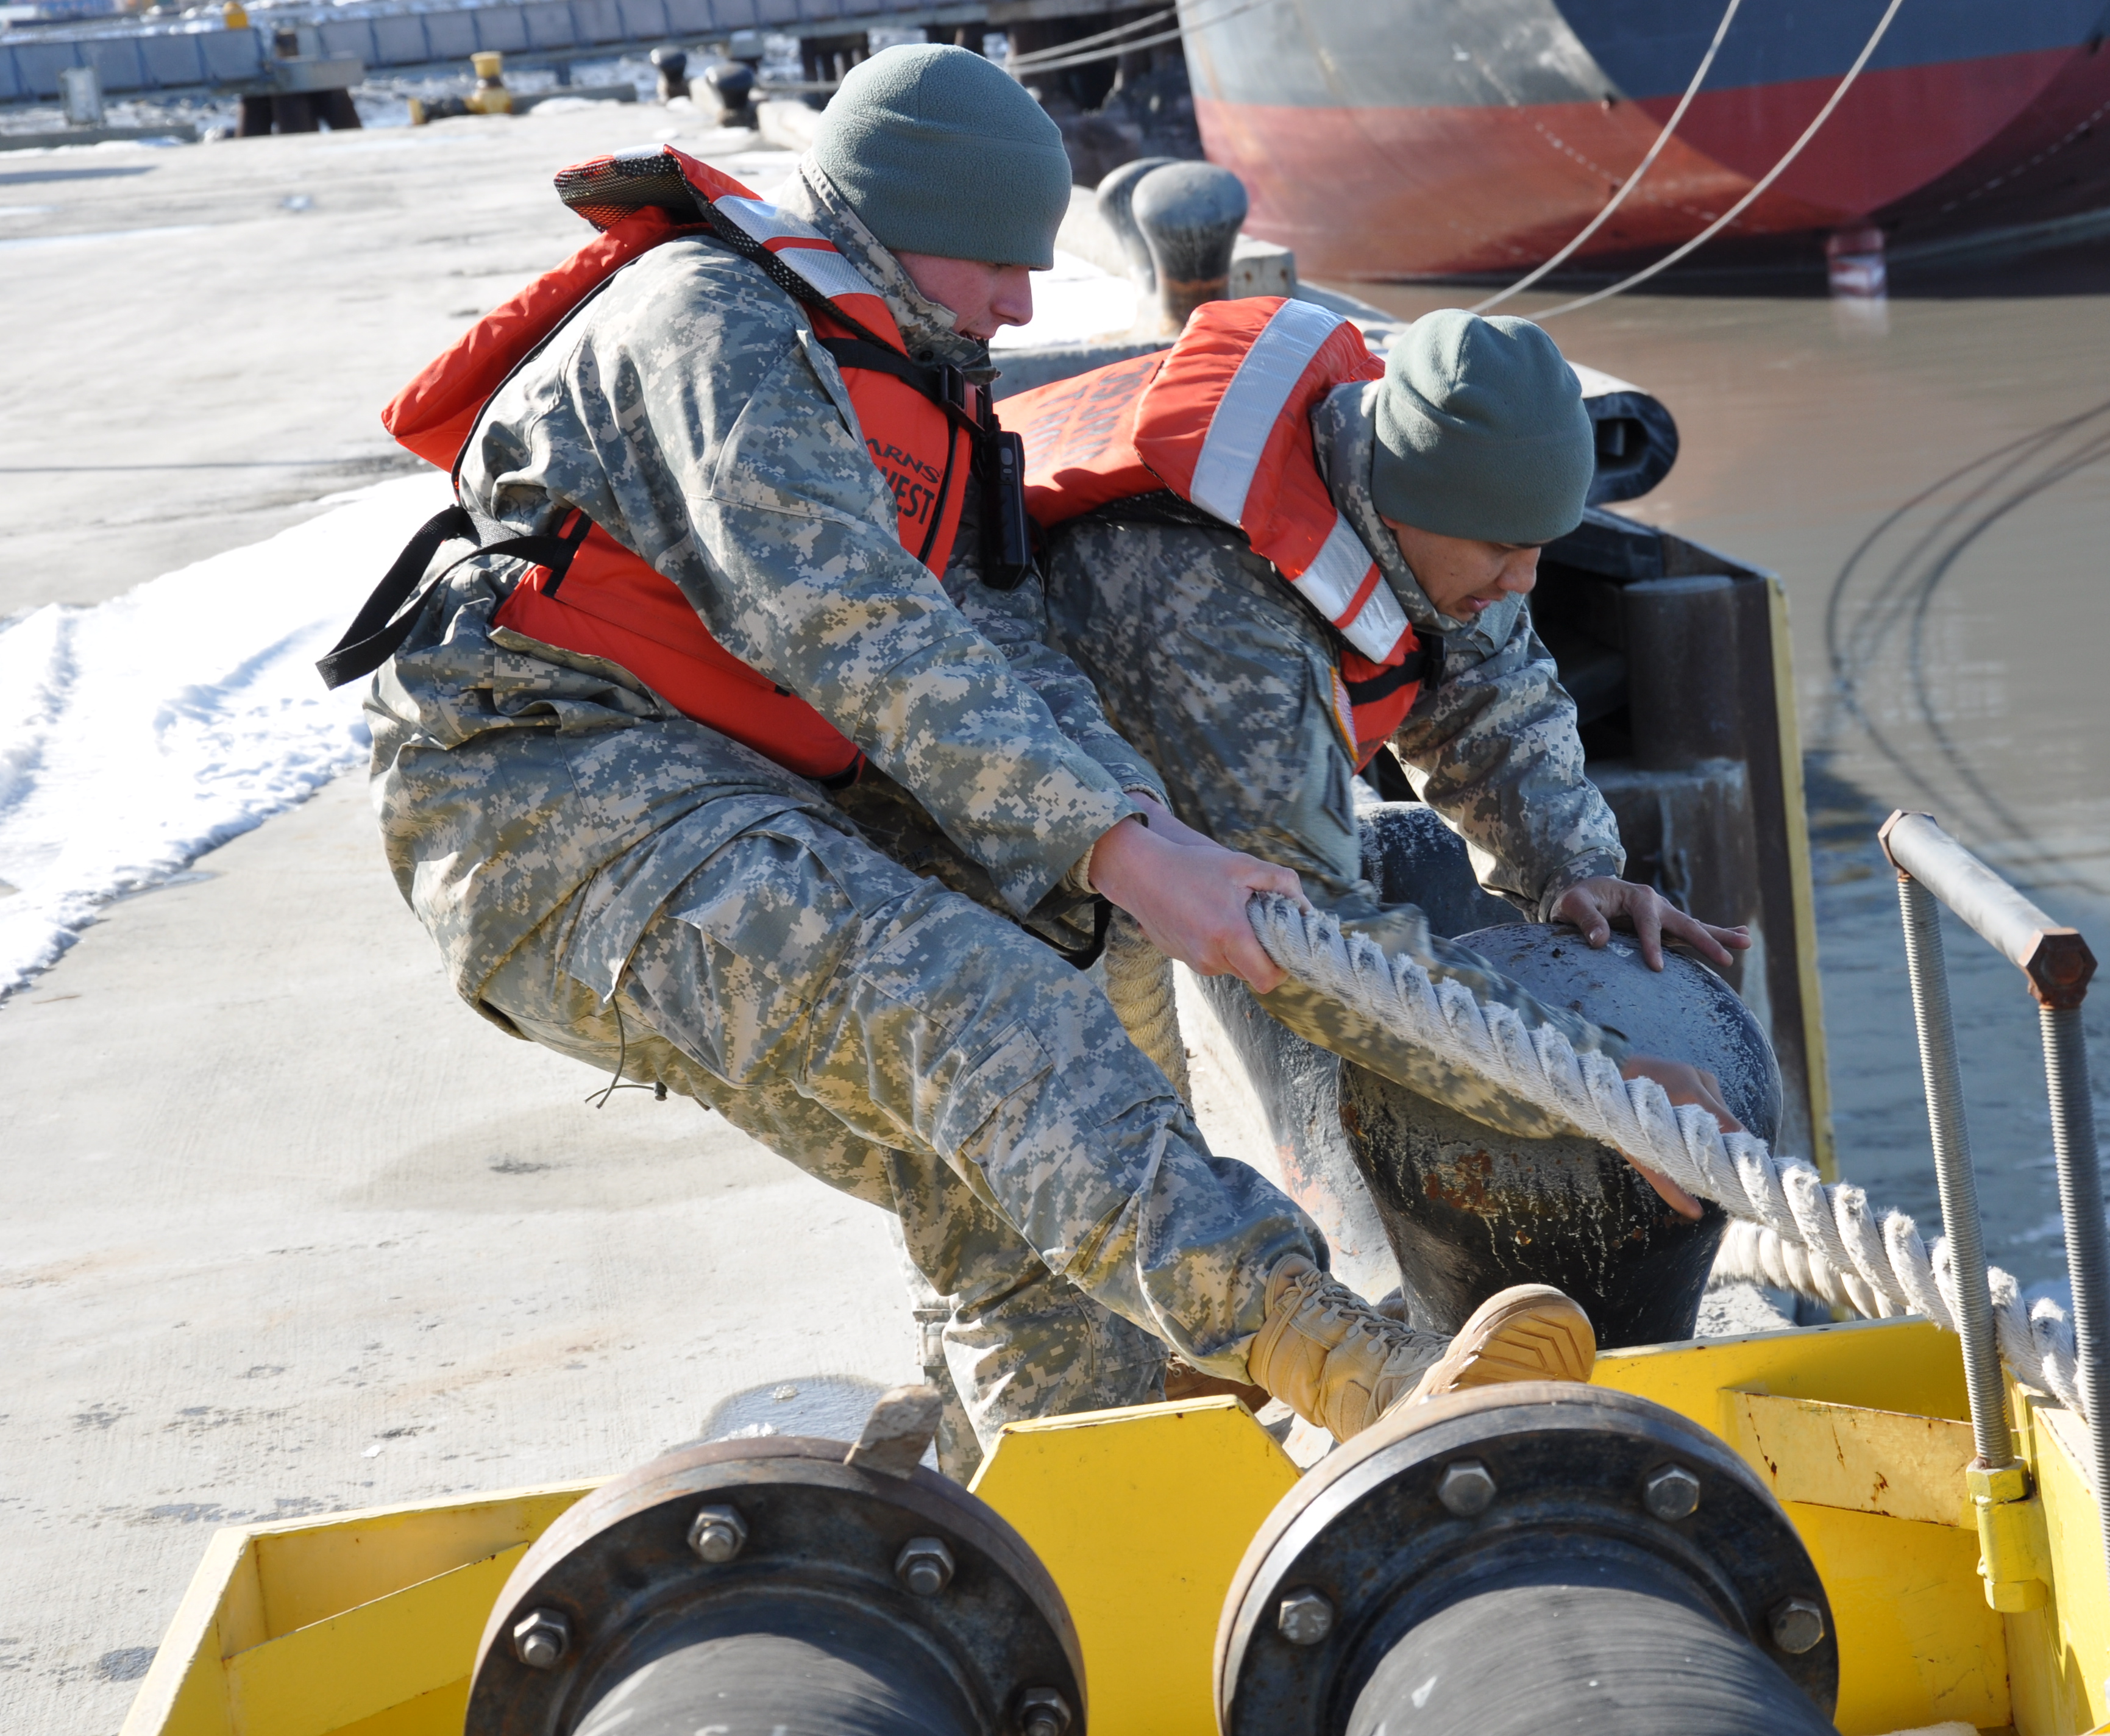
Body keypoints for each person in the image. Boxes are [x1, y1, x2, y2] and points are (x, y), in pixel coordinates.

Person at [349, 44, 1595, 1477]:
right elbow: (851, 625)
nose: (1021, 301)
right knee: (976, 1007)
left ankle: (1081, 1509)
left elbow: (1003, 649)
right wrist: (1138, 850)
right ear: (887, 220)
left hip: (731, 786)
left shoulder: (920, 377)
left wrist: (1120, 835)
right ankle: (1354, 1367)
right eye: (996, 263)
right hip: (544, 799)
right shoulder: (710, 329)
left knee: (1015, 1114)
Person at [1023, 302, 1751, 1172]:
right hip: (1012, 848)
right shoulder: (1213, 612)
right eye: (1501, 548)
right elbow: (1315, 948)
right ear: (1407, 506)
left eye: (1541, 548)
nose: (1522, 579)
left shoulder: (1411, 508)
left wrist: (1573, 865)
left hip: (1129, 815)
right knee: (1103, 1158)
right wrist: (1598, 1080)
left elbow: (1488, 690)